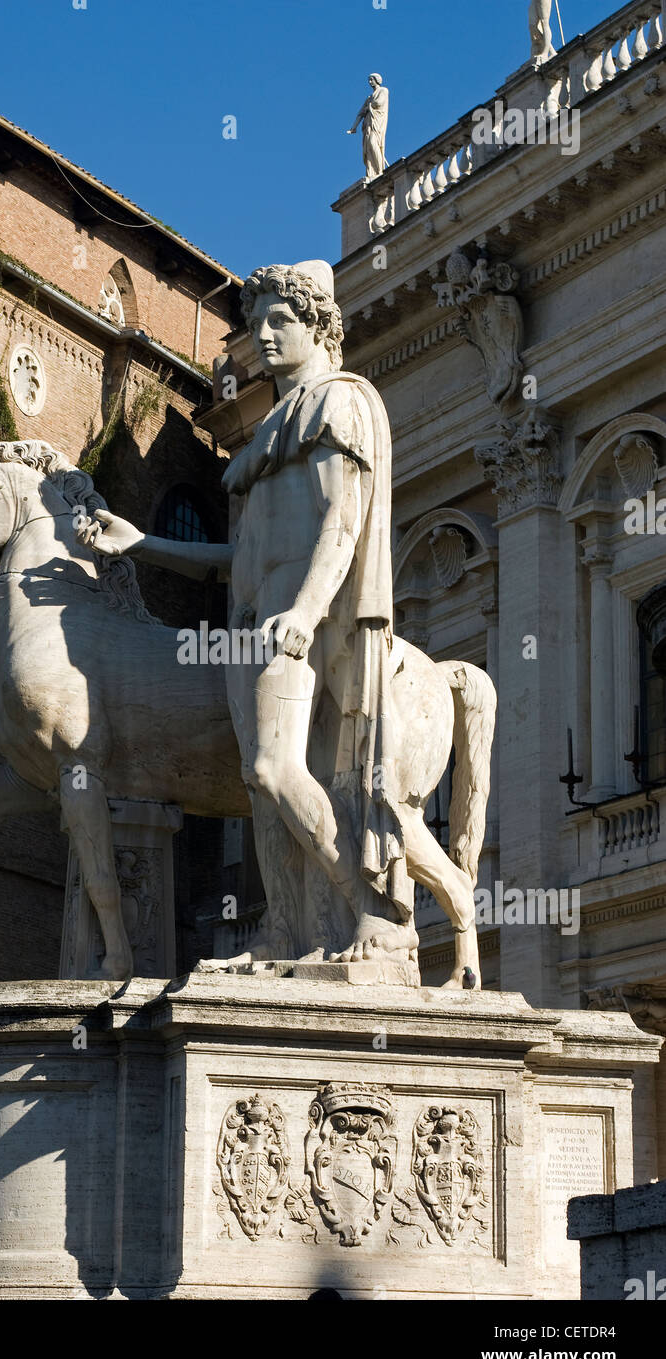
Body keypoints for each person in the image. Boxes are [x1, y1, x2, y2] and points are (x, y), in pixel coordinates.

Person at [79, 260, 413, 968]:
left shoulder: (336, 403)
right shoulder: (270, 433)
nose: (260, 335)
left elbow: (341, 525)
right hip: (252, 623)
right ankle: (284, 933)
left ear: (318, 325)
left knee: (269, 769)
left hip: (297, 621)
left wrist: (307, 612)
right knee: (263, 792)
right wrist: (143, 545)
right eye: (255, 321)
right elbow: (239, 557)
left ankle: (369, 911)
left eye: (278, 321)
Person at [347, 74, 389, 183]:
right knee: (368, 148)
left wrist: (368, 107)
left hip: (377, 124)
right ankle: (372, 172)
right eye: (369, 80)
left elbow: (379, 103)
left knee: (373, 143)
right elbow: (360, 113)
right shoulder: (369, 98)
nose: (370, 82)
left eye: (372, 79)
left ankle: (380, 171)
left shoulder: (383, 91)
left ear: (377, 80)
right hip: (368, 126)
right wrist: (353, 128)